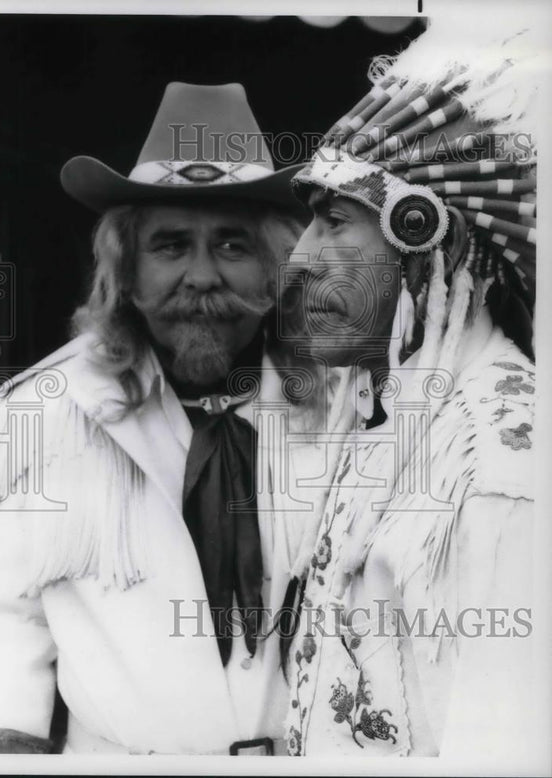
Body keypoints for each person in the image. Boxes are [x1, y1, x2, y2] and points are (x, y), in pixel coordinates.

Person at [0, 82, 309, 755]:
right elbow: (0, 630)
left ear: (277, 270)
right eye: (169, 246)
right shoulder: (42, 412)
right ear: (125, 272)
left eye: (232, 245)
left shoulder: (342, 406)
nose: (201, 276)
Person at [279, 19, 539, 759]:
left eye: (334, 222)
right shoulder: (382, 416)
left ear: (432, 242)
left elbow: (503, 753)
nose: (299, 261)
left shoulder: (502, 468)